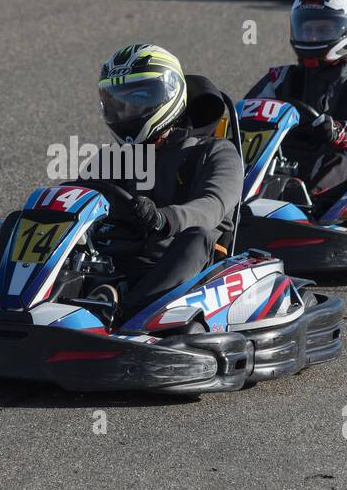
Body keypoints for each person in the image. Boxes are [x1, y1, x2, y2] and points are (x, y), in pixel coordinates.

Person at [92, 44, 243, 322]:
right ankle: (5, 297)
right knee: (24, 219)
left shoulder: (216, 152)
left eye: (137, 99)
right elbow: (80, 195)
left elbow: (212, 207)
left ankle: (127, 316)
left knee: (197, 238)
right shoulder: (115, 157)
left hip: (184, 266)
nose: (126, 110)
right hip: (120, 258)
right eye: (119, 102)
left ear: (169, 95)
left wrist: (164, 218)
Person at [245, 0, 347, 211]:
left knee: (331, 167)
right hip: (285, 158)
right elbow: (247, 113)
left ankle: (299, 217)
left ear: (346, 29)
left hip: (344, 162)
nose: (314, 36)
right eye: (308, 30)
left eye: (324, 29)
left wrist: (339, 131)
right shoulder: (282, 78)